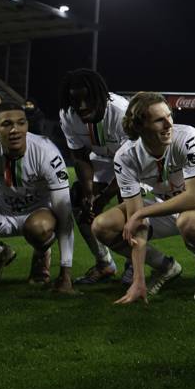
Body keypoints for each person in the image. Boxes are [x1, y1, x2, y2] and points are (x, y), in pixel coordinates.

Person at [92, 92, 195, 303]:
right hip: (165, 205)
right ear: (140, 126)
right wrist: (138, 279)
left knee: (189, 221)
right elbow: (138, 222)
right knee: (102, 226)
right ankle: (165, 267)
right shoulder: (125, 157)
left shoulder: (187, 137)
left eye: (169, 116)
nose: (169, 124)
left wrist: (142, 212)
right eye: (159, 120)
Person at [0, 102, 75, 293]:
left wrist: (66, 275)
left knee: (40, 227)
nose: (15, 130)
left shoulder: (47, 152)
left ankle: (41, 254)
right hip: (0, 213)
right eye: (6, 124)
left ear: (27, 126)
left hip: (38, 215)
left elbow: (64, 215)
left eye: (21, 123)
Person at [57, 69, 128, 285]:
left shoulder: (122, 112)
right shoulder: (67, 115)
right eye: (75, 100)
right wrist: (89, 194)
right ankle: (104, 263)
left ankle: (133, 264)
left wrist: (104, 198)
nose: (82, 106)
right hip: (101, 158)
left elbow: (128, 167)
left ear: (100, 95)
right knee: (79, 199)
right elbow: (79, 157)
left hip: (133, 163)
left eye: (87, 98)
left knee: (128, 202)